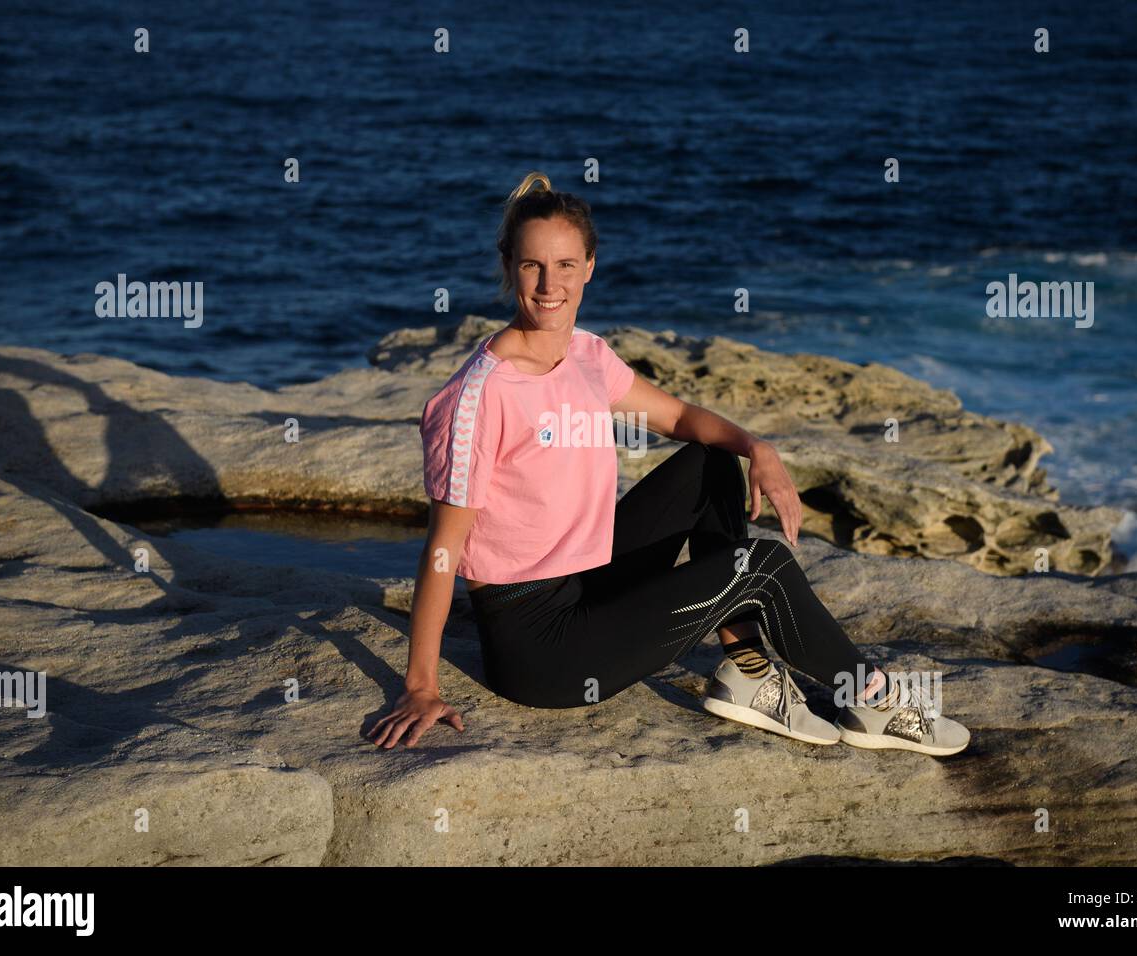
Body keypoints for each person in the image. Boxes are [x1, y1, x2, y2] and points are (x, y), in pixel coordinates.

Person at [367, 171, 969, 757]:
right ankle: (871, 700)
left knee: (711, 463)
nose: (550, 283)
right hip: (540, 650)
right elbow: (442, 550)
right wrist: (420, 686)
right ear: (509, 268)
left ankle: (751, 674)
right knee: (758, 565)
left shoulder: (584, 355)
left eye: (566, 265)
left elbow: (681, 419)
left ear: (590, 267)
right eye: (532, 265)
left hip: (585, 583)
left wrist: (758, 446)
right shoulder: (479, 397)